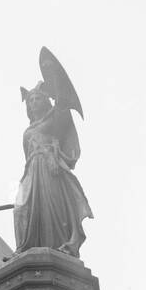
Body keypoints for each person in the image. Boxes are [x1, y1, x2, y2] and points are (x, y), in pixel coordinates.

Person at [14, 72, 93, 257]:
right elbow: (27, 156)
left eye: (37, 99)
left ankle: (57, 246)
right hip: (32, 171)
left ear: (45, 100)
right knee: (21, 209)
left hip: (51, 168)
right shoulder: (27, 131)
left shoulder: (55, 117)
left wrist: (60, 100)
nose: (33, 102)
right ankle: (24, 247)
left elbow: (63, 122)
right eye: (31, 100)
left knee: (52, 208)